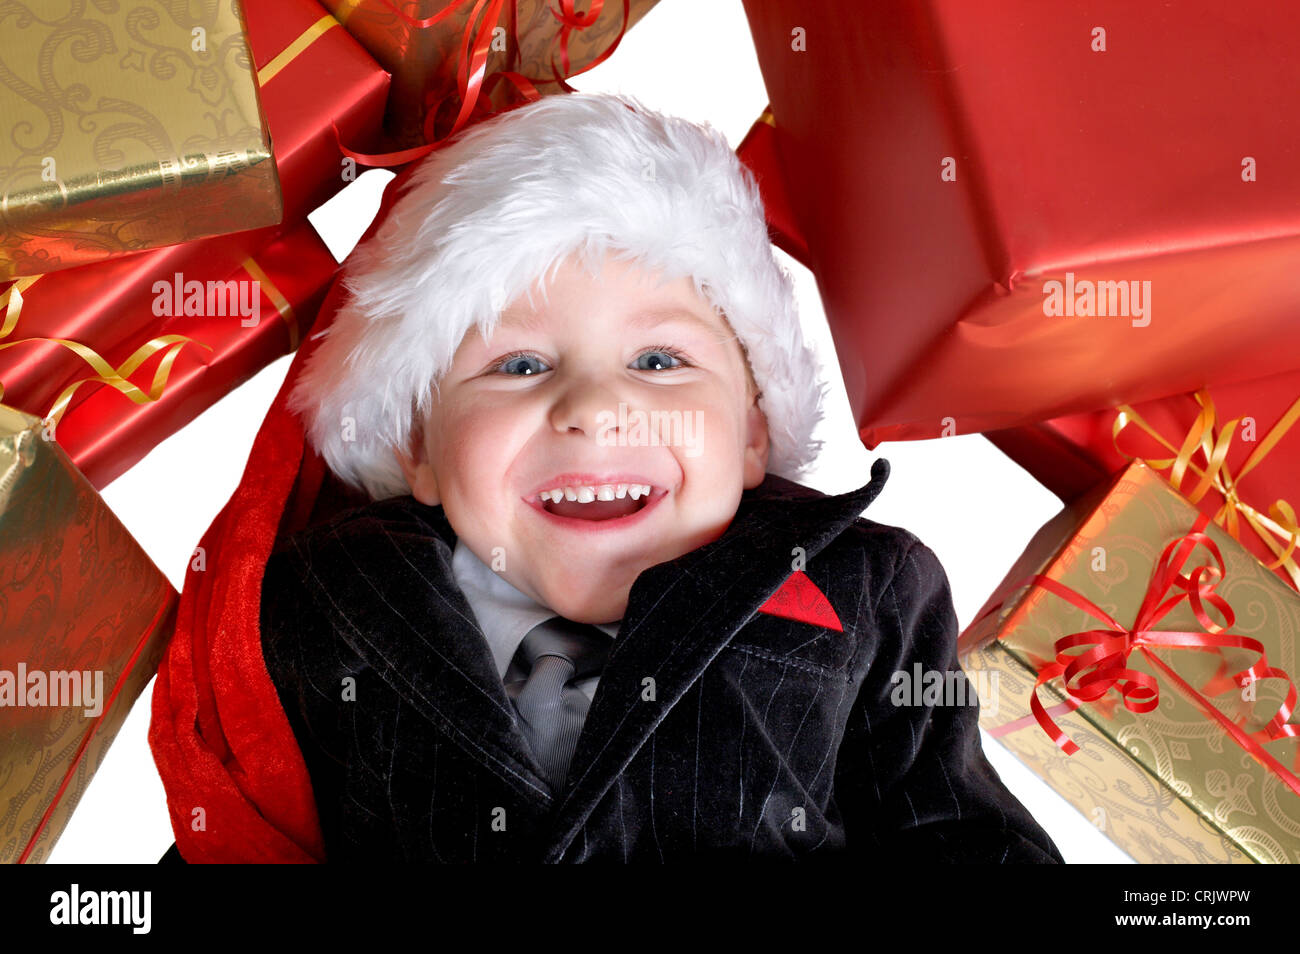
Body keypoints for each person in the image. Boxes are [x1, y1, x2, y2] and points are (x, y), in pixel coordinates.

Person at [151, 92, 1063, 863]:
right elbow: (236, 831)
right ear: (418, 452)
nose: (593, 408)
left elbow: (957, 830)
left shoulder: (865, 589)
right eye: (516, 366)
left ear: (754, 430)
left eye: (660, 360)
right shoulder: (323, 605)